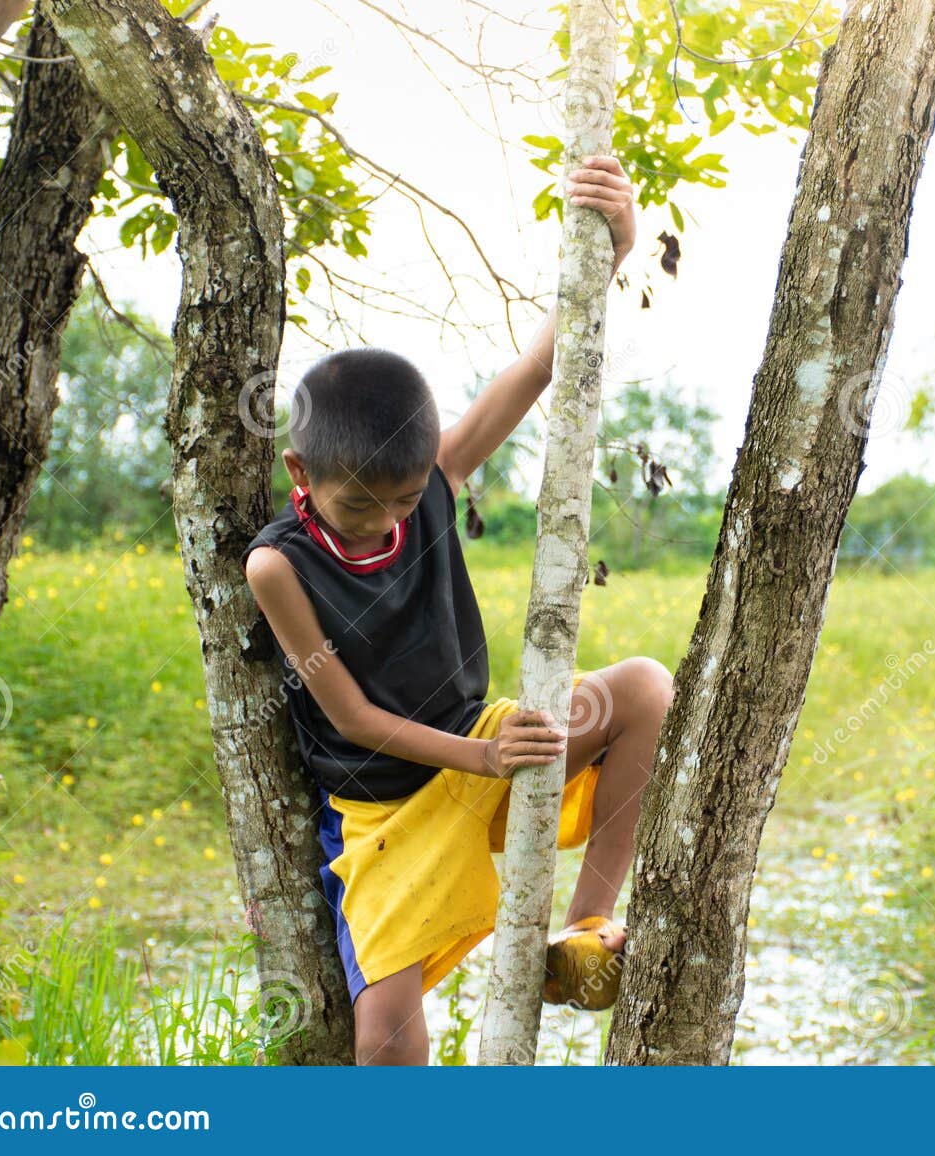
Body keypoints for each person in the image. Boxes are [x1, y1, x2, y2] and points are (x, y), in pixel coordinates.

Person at [241, 156, 673, 1065]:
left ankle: (588, 920)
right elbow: (351, 715)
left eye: (401, 503)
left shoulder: (435, 475)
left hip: (485, 743)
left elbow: (536, 365)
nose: (383, 523)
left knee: (642, 690)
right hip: (386, 805)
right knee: (387, 1034)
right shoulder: (276, 568)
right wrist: (482, 753)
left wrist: (617, 246)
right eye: (358, 506)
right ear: (300, 477)